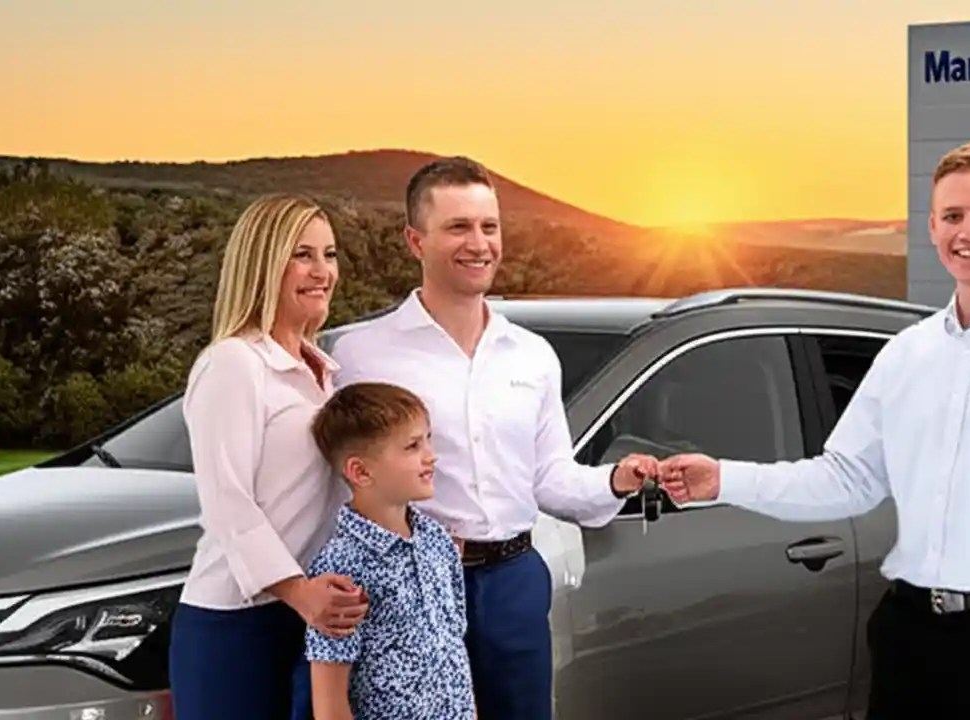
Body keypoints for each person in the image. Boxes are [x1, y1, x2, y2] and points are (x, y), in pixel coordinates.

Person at [658, 140, 970, 719]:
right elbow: (845, 480)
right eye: (953, 216)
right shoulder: (905, 355)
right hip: (908, 639)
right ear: (932, 228)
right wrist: (722, 479)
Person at [328, 156, 657, 720]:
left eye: (489, 226)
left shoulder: (533, 356)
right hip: (410, 590)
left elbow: (550, 478)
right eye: (458, 227)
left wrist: (617, 480)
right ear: (415, 240)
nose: (479, 243)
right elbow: (342, 487)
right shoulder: (363, 355)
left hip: (513, 583)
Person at [169, 194, 369, 720]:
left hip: (310, 616)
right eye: (302, 255)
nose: (322, 271)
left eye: (329, 255)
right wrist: (299, 593)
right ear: (263, 263)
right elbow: (228, 505)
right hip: (236, 624)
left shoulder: (326, 373)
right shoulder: (233, 363)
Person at [304, 381, 475, 720]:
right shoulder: (342, 565)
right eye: (412, 446)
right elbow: (329, 699)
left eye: (428, 439)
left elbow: (455, 655)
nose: (431, 455)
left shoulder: (438, 543)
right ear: (360, 471)